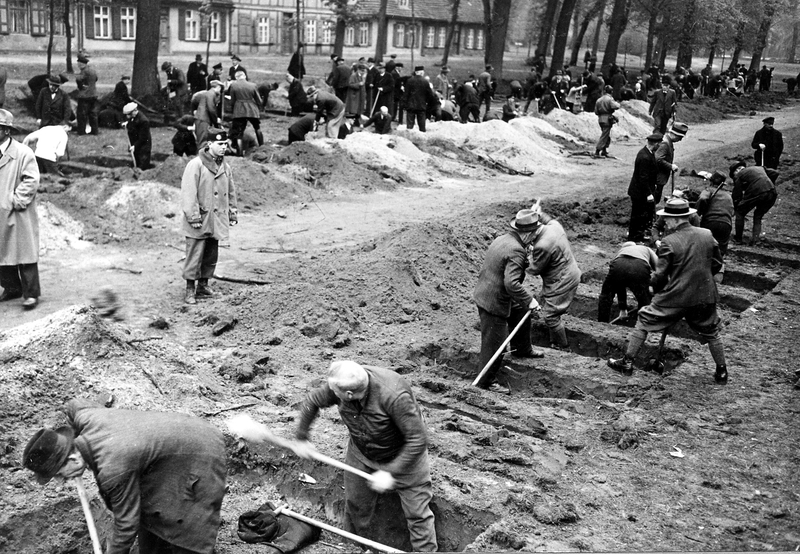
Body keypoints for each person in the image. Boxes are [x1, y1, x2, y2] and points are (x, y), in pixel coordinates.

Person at [22, 398, 227, 553]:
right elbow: (73, 405)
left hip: (201, 451)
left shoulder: (112, 469)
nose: (62, 481)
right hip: (171, 444)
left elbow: (127, 524)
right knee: (152, 528)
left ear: (73, 459)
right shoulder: (84, 416)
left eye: (60, 475)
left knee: (188, 529)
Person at [294, 360, 438, 552]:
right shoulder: (339, 385)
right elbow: (313, 401)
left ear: (349, 395)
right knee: (356, 505)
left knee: (418, 514)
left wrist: (390, 472)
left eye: (335, 392)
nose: (331, 393)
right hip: (361, 453)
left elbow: (418, 439)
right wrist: (302, 438)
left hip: (405, 456)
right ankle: (354, 548)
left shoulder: (394, 396)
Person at [608, 197, 728, 385]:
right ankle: (722, 372)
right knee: (711, 331)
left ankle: (627, 362)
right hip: (705, 294)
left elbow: (661, 275)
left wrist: (654, 287)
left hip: (677, 295)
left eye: (667, 219)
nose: (666, 222)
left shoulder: (669, 241)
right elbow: (717, 264)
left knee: (643, 318)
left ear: (674, 219)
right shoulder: (706, 234)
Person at [473, 209, 545, 391]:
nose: (536, 239)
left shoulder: (503, 239)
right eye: (535, 235)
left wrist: (524, 302)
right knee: (495, 344)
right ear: (528, 234)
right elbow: (511, 284)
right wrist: (529, 300)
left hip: (492, 291)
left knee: (521, 311)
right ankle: (485, 382)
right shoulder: (516, 250)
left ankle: (522, 349)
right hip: (493, 301)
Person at [181, 128, 237, 304]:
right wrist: (193, 216)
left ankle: (203, 286)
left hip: (217, 218)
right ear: (209, 144)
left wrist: (232, 212)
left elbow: (230, 191)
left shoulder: (224, 166)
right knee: (195, 253)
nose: (223, 148)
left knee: (211, 254)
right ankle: (190, 289)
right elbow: (189, 193)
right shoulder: (196, 165)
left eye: (225, 144)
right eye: (219, 144)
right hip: (200, 218)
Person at [526, 202, 582, 350]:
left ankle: (563, 346)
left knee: (550, 316)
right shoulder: (554, 226)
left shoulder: (542, 246)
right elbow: (548, 219)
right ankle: (554, 341)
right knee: (550, 307)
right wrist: (538, 214)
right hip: (569, 272)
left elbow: (534, 269)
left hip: (562, 280)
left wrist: (523, 254)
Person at [0, 110, 41, 309]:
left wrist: (16, 200)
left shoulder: (23, 153)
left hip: (18, 211)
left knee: (24, 252)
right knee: (1, 253)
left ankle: (31, 293)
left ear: (6, 130)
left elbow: (31, 180)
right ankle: (11, 288)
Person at [597, 241, 657, 323]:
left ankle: (602, 322)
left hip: (618, 265)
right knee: (644, 300)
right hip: (639, 267)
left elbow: (620, 285)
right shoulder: (646, 249)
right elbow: (660, 269)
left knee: (606, 296)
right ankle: (643, 326)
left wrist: (623, 309)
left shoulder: (620, 252)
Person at [729, 161, 778, 246]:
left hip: (757, 192)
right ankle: (756, 240)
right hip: (772, 192)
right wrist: (767, 182)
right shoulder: (759, 168)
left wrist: (736, 206)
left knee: (740, 213)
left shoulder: (738, 175)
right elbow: (775, 173)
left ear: (737, 171)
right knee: (758, 215)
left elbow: (737, 194)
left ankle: (738, 239)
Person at [627, 133, 662, 242]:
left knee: (641, 215)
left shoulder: (648, 153)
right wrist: (648, 194)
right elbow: (643, 178)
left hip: (642, 191)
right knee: (638, 216)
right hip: (639, 192)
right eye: (659, 144)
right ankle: (634, 238)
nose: (660, 146)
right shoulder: (644, 157)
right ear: (655, 144)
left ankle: (639, 235)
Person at [697, 171, 734, 261]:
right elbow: (732, 212)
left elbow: (702, 198)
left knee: (704, 248)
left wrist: (698, 212)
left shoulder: (709, 190)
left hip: (710, 222)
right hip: (726, 224)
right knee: (719, 252)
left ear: (711, 181)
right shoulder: (728, 195)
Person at [228, 70, 263, 155]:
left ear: (236, 78)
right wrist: (258, 107)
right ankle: (262, 146)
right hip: (251, 109)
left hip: (239, 109)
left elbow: (232, 101)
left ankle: (239, 153)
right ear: (245, 76)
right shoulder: (253, 85)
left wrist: (233, 108)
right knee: (257, 128)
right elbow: (259, 100)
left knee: (239, 133)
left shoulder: (233, 85)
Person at [653, 122, 688, 204]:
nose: (680, 139)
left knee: (655, 199)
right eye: (680, 137)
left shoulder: (668, 141)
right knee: (654, 199)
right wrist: (670, 166)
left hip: (658, 177)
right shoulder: (665, 143)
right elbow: (657, 159)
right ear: (675, 134)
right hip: (657, 177)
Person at [403, 66, 437, 132]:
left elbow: (406, 94)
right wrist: (428, 102)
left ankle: (409, 139)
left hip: (411, 105)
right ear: (421, 73)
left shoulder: (409, 81)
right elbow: (430, 94)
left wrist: (404, 104)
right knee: (422, 125)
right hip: (421, 105)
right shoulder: (425, 81)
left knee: (410, 126)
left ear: (415, 72)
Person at [192, 80, 222, 148]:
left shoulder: (208, 93)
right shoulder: (211, 94)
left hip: (201, 119)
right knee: (203, 140)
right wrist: (215, 121)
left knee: (202, 140)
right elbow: (211, 109)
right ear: (217, 87)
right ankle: (202, 156)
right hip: (203, 119)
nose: (220, 90)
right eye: (220, 88)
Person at [122, 102, 151, 170]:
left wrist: (135, 146)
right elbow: (132, 123)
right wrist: (127, 124)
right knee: (136, 159)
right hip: (135, 143)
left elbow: (143, 137)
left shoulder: (144, 121)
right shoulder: (134, 116)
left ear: (135, 110)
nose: (127, 116)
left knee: (142, 163)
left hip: (143, 145)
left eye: (129, 114)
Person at [75, 54, 99, 135]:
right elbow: (96, 79)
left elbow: (78, 79)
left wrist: (81, 87)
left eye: (79, 64)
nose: (78, 65)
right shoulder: (92, 70)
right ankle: (95, 131)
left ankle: (81, 131)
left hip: (84, 96)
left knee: (82, 114)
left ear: (82, 64)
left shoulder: (84, 71)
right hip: (94, 94)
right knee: (93, 114)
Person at [594, 85, 620, 158]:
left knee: (606, 135)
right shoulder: (610, 99)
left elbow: (596, 112)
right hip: (607, 118)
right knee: (604, 135)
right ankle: (597, 150)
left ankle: (604, 150)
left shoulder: (599, 100)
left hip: (600, 119)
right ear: (611, 91)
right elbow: (616, 106)